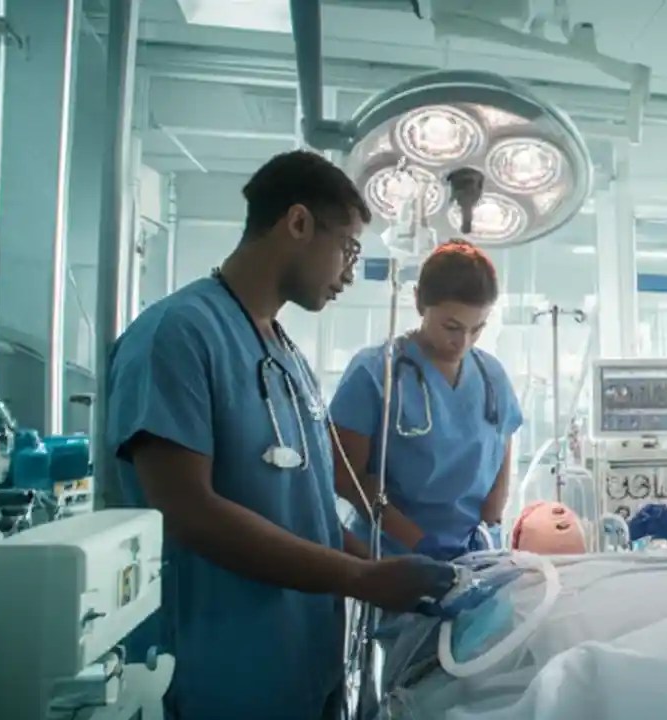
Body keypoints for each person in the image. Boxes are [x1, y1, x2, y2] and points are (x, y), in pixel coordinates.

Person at [105, 151, 457, 720]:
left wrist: (393, 571)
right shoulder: (178, 334)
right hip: (217, 674)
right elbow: (187, 510)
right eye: (347, 247)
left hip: (303, 666)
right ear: (297, 223)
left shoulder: (285, 354)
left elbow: (307, 512)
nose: (348, 271)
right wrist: (364, 577)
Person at [330, 239, 524, 560]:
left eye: (477, 329)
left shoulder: (492, 377)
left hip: (473, 551)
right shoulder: (377, 372)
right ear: (421, 303)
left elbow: (502, 462)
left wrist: (489, 530)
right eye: (452, 327)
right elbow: (347, 478)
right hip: (392, 553)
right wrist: (418, 542)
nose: (463, 342)